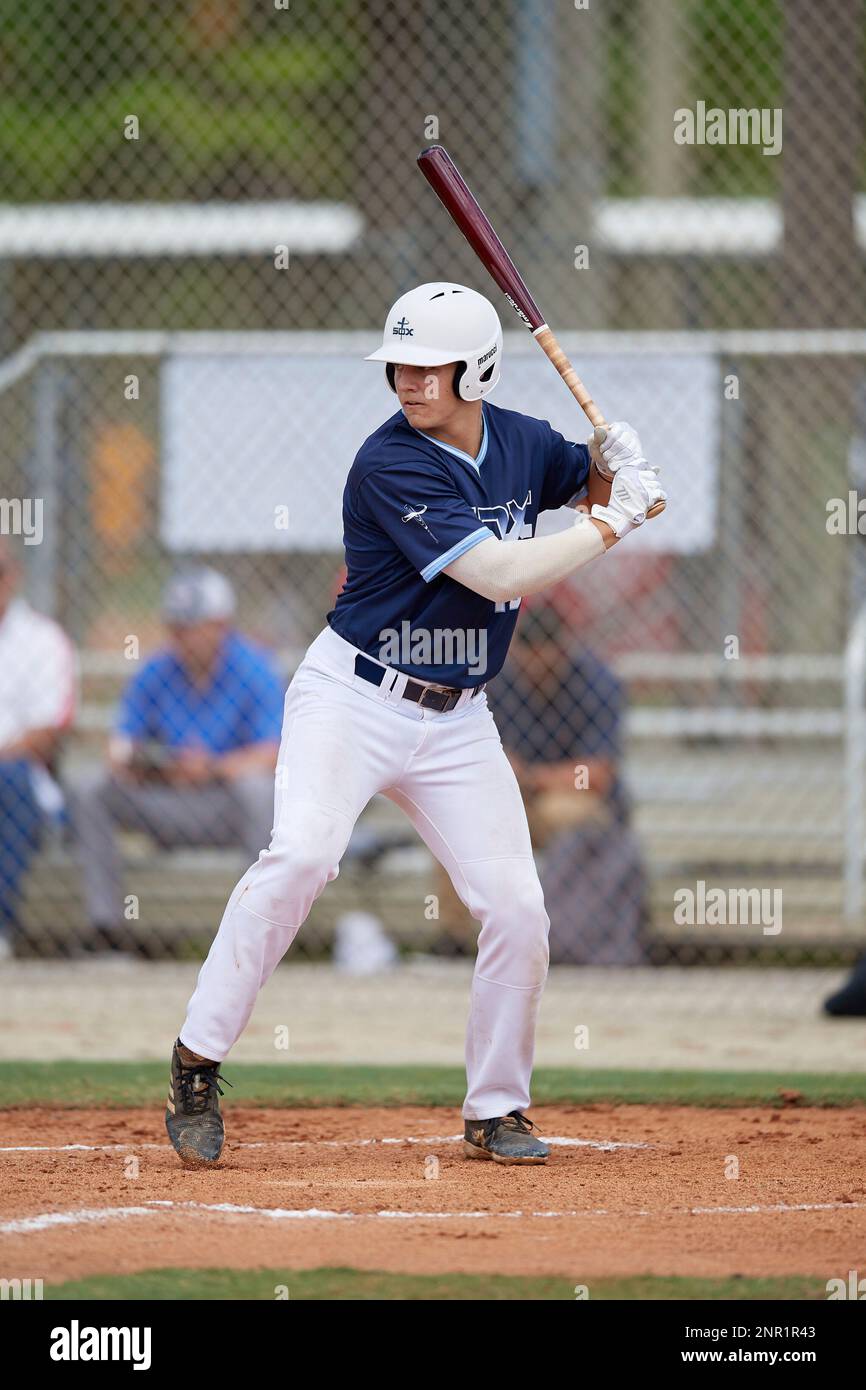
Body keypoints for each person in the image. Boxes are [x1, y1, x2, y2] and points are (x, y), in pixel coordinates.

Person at [164, 282, 665, 1168]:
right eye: (399, 363)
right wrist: (613, 520)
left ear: (475, 369)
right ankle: (197, 1059)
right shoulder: (389, 462)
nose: (407, 379)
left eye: (428, 365)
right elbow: (502, 576)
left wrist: (610, 462)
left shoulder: (519, 441)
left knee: (516, 908)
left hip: (459, 716)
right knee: (303, 858)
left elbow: (583, 478)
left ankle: (496, 1107)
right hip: (352, 697)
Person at [68, 567, 284, 953]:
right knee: (91, 788)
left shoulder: (253, 668)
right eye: (175, 627)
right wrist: (144, 764)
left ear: (220, 625)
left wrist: (212, 768)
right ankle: (106, 932)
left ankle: (252, 934)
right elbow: (119, 745)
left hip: (226, 807)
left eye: (190, 627)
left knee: (257, 789)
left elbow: (274, 753)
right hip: (167, 800)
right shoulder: (157, 669)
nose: (180, 639)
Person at [494, 607, 648, 965]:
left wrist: (531, 778)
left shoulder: (595, 681)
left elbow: (595, 776)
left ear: (562, 650)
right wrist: (503, 767)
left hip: (574, 803)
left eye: (546, 655)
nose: (536, 666)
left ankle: (560, 937)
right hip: (513, 799)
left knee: (562, 811)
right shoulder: (502, 681)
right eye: (528, 655)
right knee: (464, 822)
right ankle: (460, 942)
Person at [0, 539, 77, 957]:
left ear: (13, 577)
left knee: (8, 780)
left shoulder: (42, 639)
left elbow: (48, 732)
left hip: (23, 782)